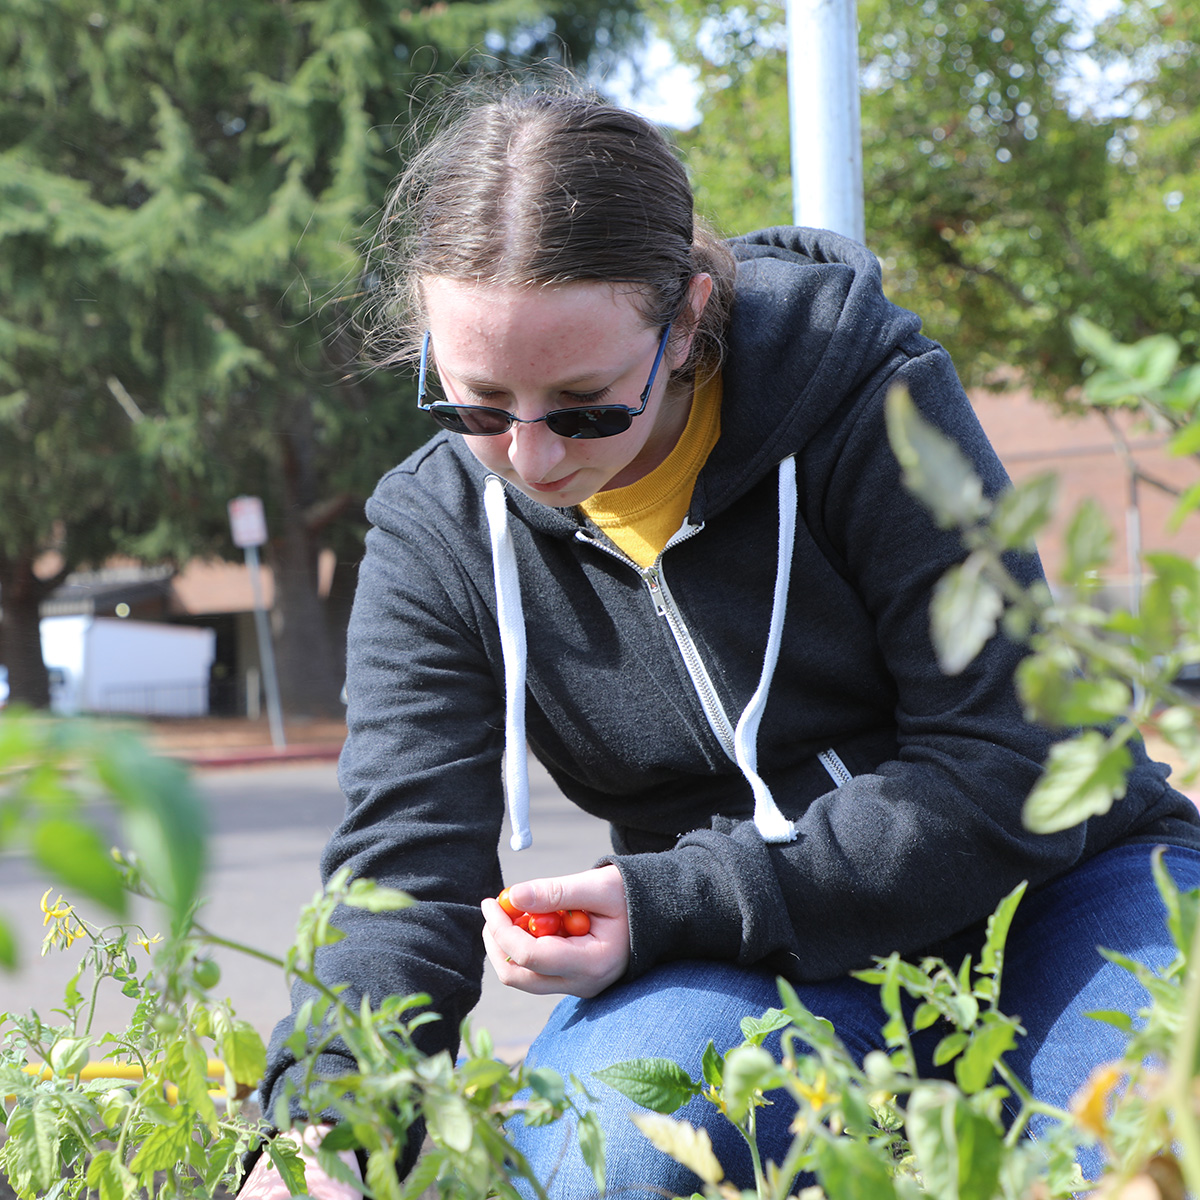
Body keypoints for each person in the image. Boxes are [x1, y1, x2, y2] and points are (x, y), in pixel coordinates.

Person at [241, 82, 1200, 1199]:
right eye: (479, 404)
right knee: (609, 1162)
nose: (535, 459)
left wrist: (669, 901)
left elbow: (1010, 761)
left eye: (588, 405)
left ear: (687, 318)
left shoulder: (868, 400)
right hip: (755, 958)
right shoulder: (438, 533)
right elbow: (399, 872)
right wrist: (325, 1127)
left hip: (1061, 885)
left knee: (1145, 1150)